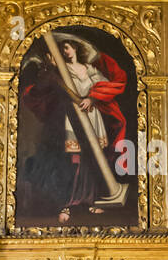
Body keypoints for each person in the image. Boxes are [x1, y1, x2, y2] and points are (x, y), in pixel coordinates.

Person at [17, 32, 128, 224]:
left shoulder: (89, 68)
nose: (65, 51)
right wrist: (52, 71)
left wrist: (92, 97)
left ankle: (94, 199)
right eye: (62, 49)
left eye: (67, 47)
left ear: (75, 48)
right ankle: (67, 203)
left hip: (92, 116)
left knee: (96, 158)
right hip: (71, 119)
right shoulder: (61, 70)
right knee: (74, 161)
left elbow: (105, 85)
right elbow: (45, 87)